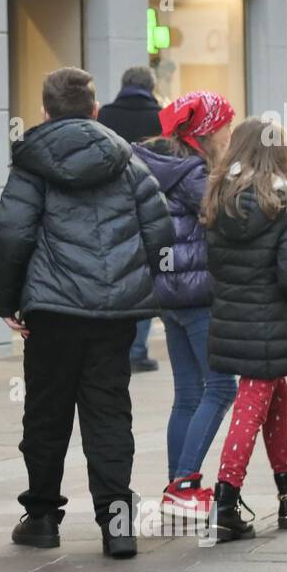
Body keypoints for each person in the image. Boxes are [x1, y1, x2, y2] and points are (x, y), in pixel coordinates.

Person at [0, 67, 174, 558]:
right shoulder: (129, 162)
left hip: (50, 311)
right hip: (112, 314)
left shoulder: (31, 164)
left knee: (46, 413)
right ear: (95, 109)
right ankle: (117, 525)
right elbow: (160, 233)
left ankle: (43, 517)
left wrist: (5, 300)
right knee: (109, 412)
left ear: (45, 111)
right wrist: (145, 287)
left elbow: (12, 234)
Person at [203, 118, 287, 543]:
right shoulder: (284, 201)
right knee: (252, 404)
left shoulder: (220, 198)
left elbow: (215, 267)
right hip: (269, 320)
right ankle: (227, 499)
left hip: (233, 316)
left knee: (277, 400)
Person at [133, 91, 236, 520]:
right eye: (227, 125)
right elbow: (230, 220)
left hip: (168, 296)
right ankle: (185, 483)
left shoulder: (157, 166)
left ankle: (180, 489)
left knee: (188, 394)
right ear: (209, 132)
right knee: (221, 388)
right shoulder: (196, 174)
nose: (231, 132)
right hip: (197, 295)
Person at [98, 66, 164, 372]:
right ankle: (137, 351)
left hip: (109, 208)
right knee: (144, 280)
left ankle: (113, 349)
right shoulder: (161, 117)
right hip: (148, 204)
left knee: (113, 277)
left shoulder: (105, 116)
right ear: (151, 86)